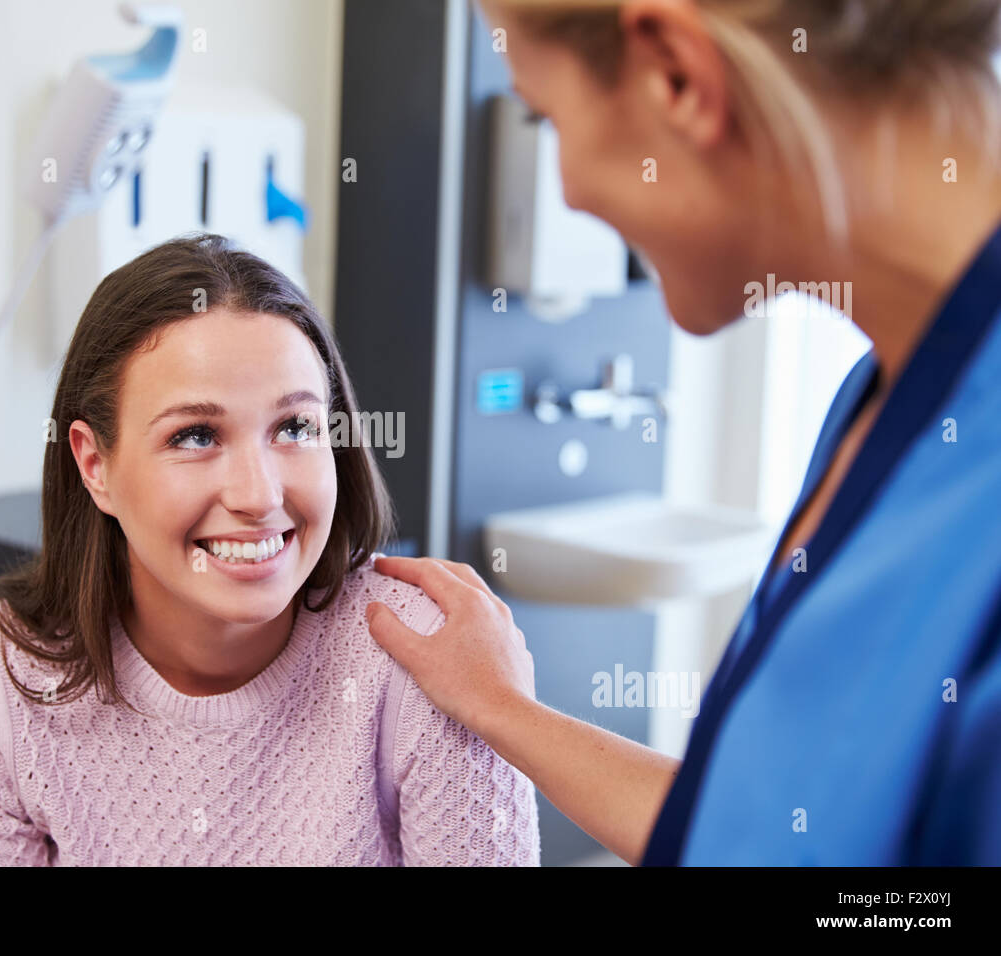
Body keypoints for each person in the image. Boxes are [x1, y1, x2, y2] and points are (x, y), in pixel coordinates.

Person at [368, 0, 1001, 864]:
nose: (566, 193)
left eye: (548, 119)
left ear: (676, 77)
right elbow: (765, 827)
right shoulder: (882, 400)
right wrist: (503, 710)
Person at [0, 234, 539, 866]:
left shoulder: (429, 663)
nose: (258, 495)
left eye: (295, 428)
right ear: (95, 464)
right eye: (195, 436)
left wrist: (507, 714)